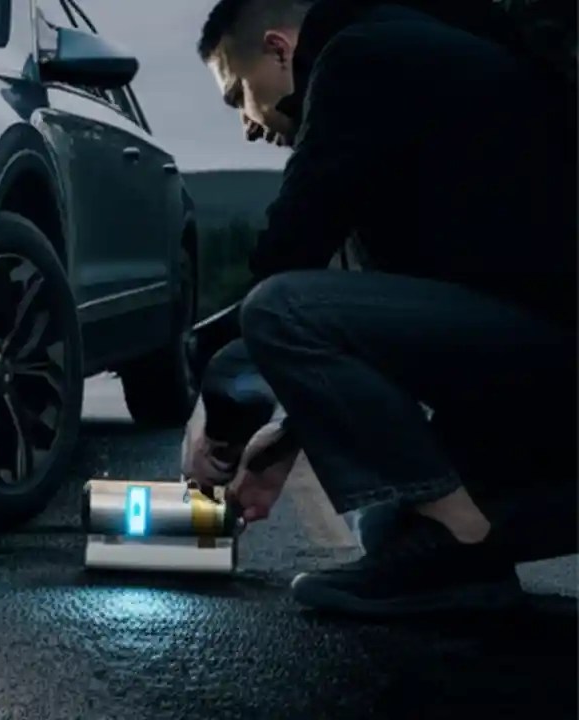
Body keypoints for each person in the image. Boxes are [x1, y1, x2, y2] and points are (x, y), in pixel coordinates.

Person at [183, 0, 577, 617]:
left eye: (239, 97)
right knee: (387, 525)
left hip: (553, 355)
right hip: (539, 368)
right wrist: (284, 441)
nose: (248, 127)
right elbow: (376, 325)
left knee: (279, 310)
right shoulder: (414, 59)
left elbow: (286, 259)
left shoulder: (358, 59)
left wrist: (218, 407)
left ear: (280, 50)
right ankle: (466, 565)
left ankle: (463, 544)